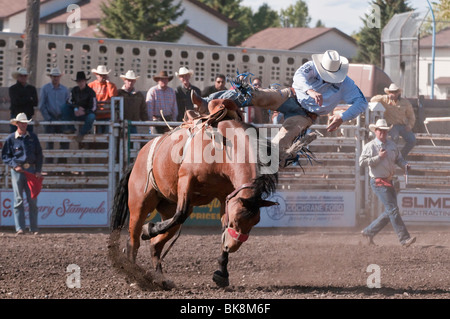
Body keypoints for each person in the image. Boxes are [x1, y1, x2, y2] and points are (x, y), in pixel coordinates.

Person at [192, 50, 368, 167]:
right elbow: (298, 76)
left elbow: (362, 103)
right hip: (291, 95)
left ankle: (257, 168)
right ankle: (205, 102)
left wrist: (342, 117)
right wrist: (310, 90)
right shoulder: (314, 66)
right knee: (256, 94)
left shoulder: (347, 84)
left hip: (306, 115)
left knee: (281, 143)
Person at [359, 119, 416, 247]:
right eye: (380, 130)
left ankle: (369, 231)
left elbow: (399, 159)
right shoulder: (370, 146)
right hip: (378, 181)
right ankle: (404, 239)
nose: (383, 133)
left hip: (389, 180)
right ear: (376, 131)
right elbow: (361, 162)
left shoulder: (392, 145)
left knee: (390, 211)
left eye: (385, 131)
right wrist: (378, 157)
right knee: (393, 210)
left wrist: (405, 165)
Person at [2, 113, 43, 235]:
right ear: (17, 124)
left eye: (25, 123)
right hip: (17, 171)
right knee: (18, 199)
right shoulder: (10, 139)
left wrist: (38, 170)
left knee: (32, 200)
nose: (24, 125)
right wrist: (15, 165)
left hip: (30, 170)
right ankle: (20, 227)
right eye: (22, 123)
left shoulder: (33, 138)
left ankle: (33, 228)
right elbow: (5, 156)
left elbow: (39, 155)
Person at [370, 83, 416, 159]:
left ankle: (401, 156)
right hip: (391, 125)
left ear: (398, 93)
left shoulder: (405, 103)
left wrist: (410, 126)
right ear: (389, 93)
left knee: (412, 140)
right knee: (395, 137)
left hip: (403, 125)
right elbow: (373, 99)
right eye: (391, 92)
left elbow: (411, 116)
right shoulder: (384, 99)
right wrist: (385, 97)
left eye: (395, 92)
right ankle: (391, 156)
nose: (393, 94)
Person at [38, 67, 70, 162]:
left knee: (64, 142)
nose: (55, 78)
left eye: (57, 76)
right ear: (51, 77)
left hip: (61, 118)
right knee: (49, 142)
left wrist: (64, 117)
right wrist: (47, 118)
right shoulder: (45, 89)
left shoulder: (65, 90)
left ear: (59, 77)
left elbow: (68, 104)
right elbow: (41, 105)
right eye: (53, 76)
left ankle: (62, 165)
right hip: (50, 117)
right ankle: (50, 165)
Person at [61, 71, 97, 143]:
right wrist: (76, 108)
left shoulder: (91, 92)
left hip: (86, 114)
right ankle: (71, 128)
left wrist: (84, 111)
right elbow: (69, 102)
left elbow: (93, 107)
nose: (80, 83)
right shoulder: (74, 90)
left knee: (91, 117)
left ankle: (82, 133)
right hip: (76, 112)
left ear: (85, 81)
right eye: (79, 81)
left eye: (82, 81)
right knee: (64, 107)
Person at [88, 65, 118, 134]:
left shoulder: (111, 86)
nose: (102, 77)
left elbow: (113, 97)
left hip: (107, 116)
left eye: (104, 75)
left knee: (107, 135)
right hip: (95, 115)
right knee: (97, 135)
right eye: (100, 75)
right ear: (96, 75)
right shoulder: (91, 85)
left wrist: (108, 83)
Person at [9, 67, 38, 133]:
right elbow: (15, 102)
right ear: (17, 77)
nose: (23, 77)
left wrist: (22, 99)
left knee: (29, 137)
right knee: (14, 137)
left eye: (25, 76)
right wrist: (28, 99)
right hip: (16, 117)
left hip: (28, 117)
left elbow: (35, 102)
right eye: (21, 76)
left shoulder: (32, 88)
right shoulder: (13, 89)